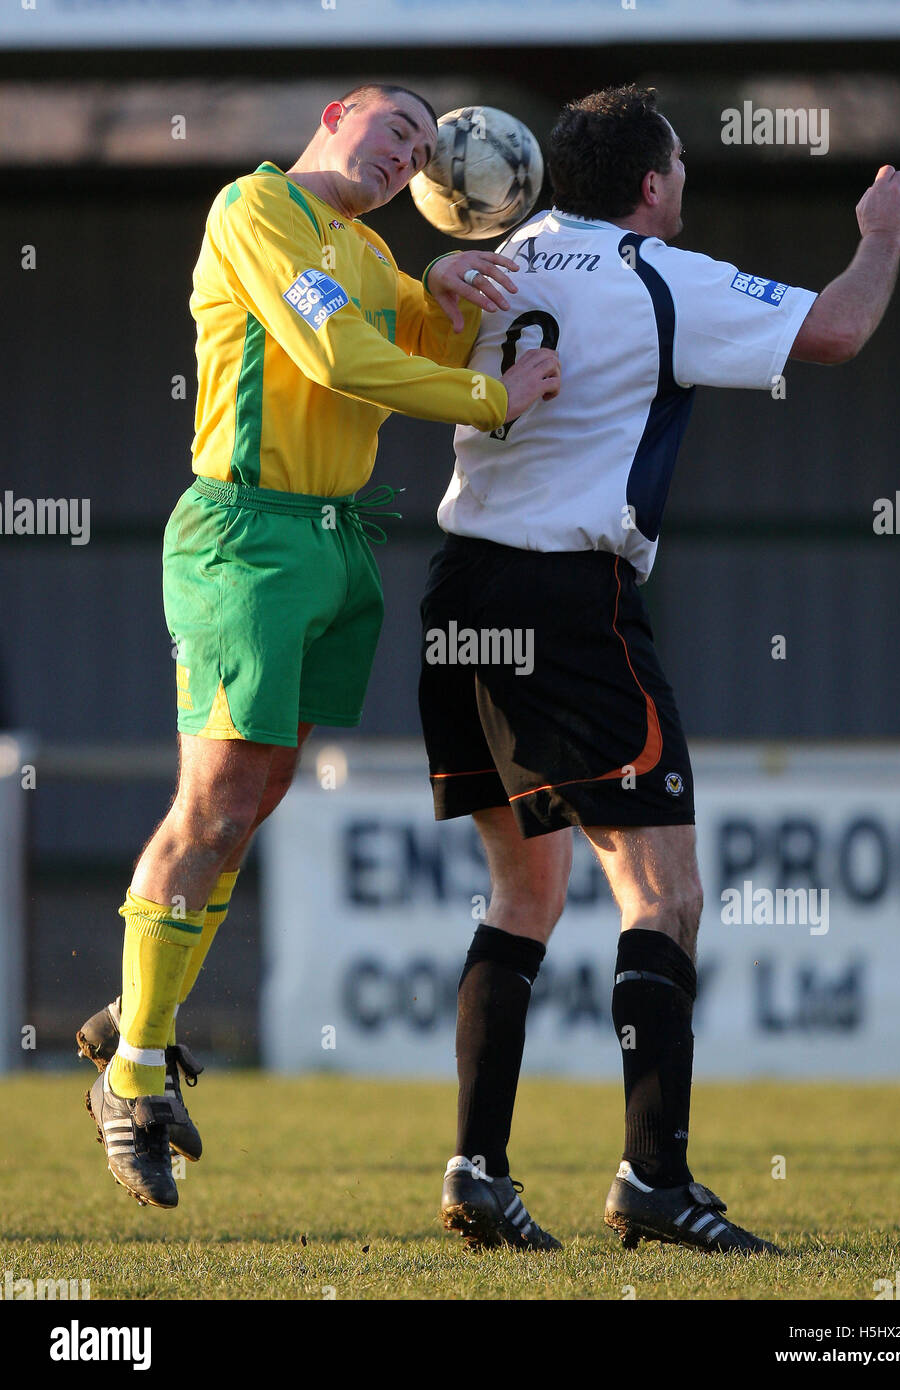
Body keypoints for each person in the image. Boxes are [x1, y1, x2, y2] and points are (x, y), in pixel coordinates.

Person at [418, 83, 900, 1253]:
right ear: (651, 187)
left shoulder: (500, 258)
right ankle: (655, 1178)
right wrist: (883, 237)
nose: (687, 181)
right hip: (573, 596)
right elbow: (838, 331)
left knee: (524, 893)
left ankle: (477, 1167)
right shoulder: (656, 273)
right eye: (681, 166)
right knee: (665, 896)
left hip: (461, 595)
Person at [77, 82, 560, 1210]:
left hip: (337, 542)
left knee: (258, 794)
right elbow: (342, 358)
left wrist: (438, 291)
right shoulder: (257, 210)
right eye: (396, 129)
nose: (407, 159)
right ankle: (135, 1073)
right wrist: (490, 398)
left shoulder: (362, 250)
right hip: (246, 535)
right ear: (338, 112)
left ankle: (134, 1019)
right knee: (217, 805)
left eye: (424, 154)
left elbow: (406, 334)